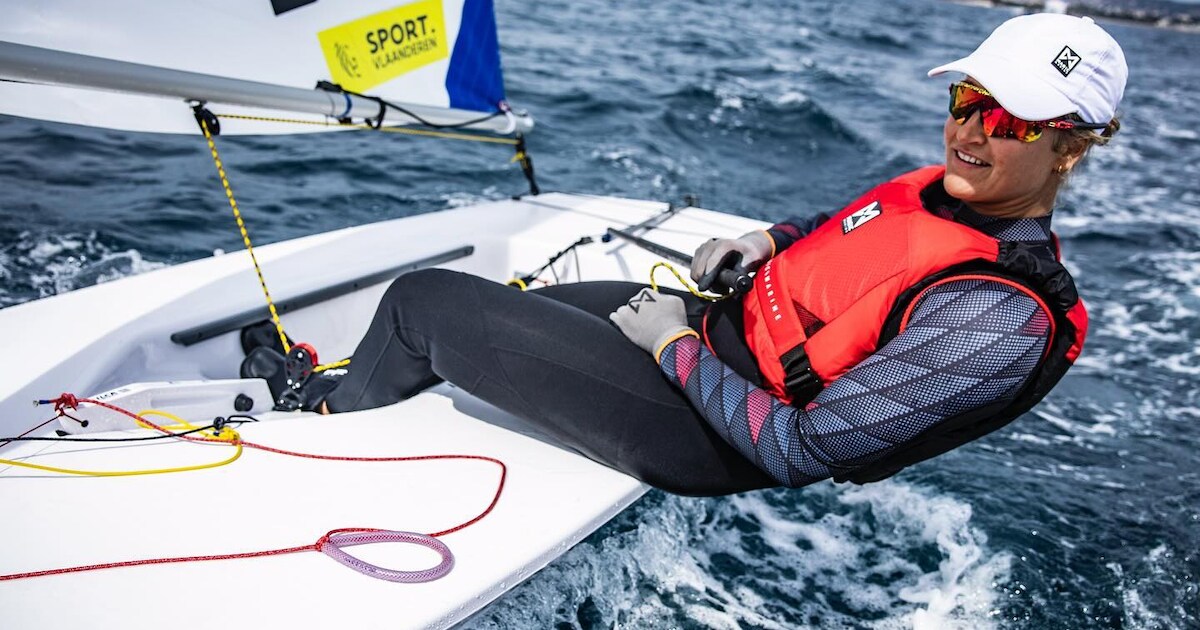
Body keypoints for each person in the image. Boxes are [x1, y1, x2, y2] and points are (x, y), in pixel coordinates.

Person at [253, 13, 1127, 496]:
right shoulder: (942, 189)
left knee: (425, 304)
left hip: (709, 431)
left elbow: (801, 452)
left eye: (1009, 120)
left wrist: (670, 344)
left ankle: (319, 414)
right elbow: (845, 226)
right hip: (713, 335)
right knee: (518, 307)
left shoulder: (998, 317)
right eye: (969, 97)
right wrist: (762, 241)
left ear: (1071, 148)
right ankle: (378, 395)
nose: (970, 130)